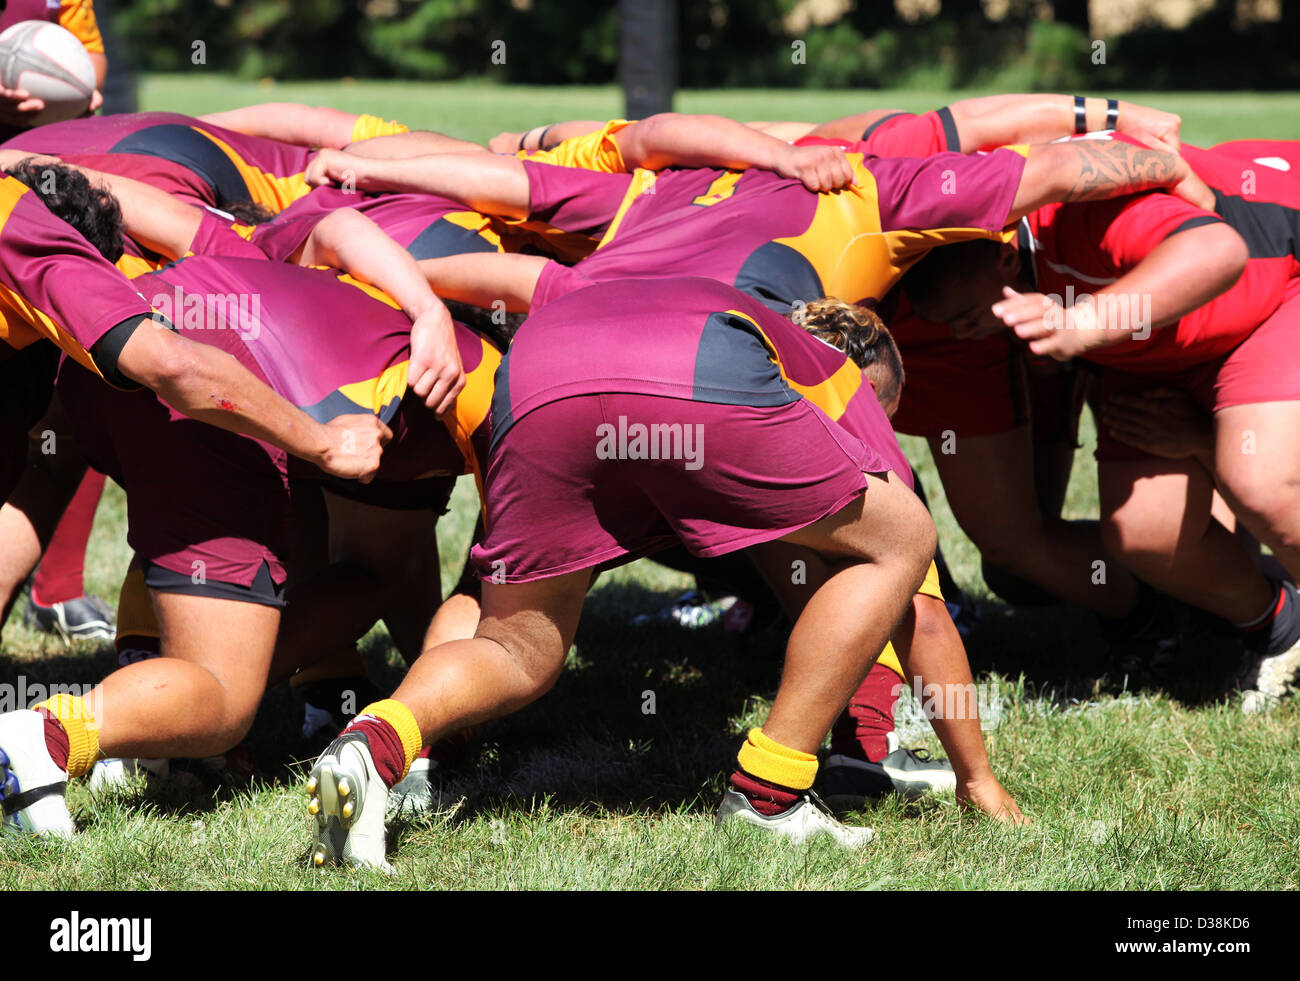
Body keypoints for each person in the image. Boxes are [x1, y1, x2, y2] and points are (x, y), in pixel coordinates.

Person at [305, 275, 1031, 868]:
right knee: (903, 535)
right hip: (692, 381)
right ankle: (769, 794)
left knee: (518, 645)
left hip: (534, 373)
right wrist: (978, 779)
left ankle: (378, 744)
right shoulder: (843, 379)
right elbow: (924, 612)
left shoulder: (720, 299)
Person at [903, 137, 1300, 710]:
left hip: (1274, 294)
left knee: (1259, 480)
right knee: (1146, 535)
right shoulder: (1018, 275)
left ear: (1007, 258)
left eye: (968, 317)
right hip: (1160, 355)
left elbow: (1217, 251)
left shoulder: (1083, 211)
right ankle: (1277, 622)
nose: (966, 334)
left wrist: (1085, 321)